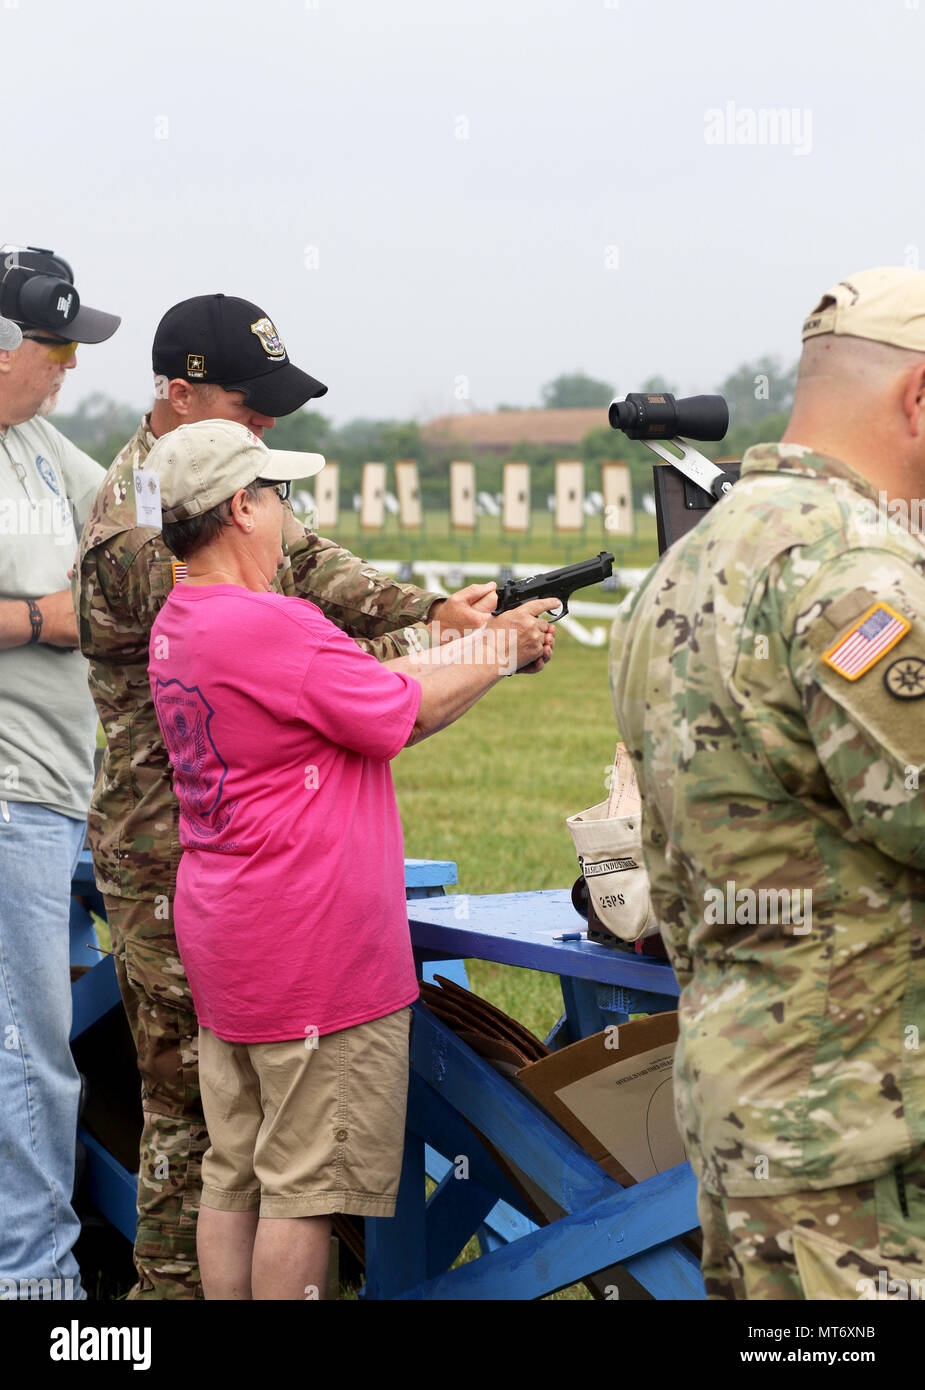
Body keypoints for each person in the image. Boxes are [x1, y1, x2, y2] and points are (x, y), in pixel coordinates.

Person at [75, 292, 509, 1298]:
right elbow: (288, 639)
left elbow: (311, 565)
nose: (267, 427)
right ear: (179, 397)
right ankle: (164, 1294)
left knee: (240, 1141)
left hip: (226, 850)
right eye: (246, 406)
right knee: (197, 1116)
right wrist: (453, 651)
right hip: (170, 849)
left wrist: (424, 609)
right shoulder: (145, 523)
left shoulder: (211, 483)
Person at [143, 417, 554, 1299]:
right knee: (305, 1192)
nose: (291, 516)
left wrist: (467, 649)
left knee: (236, 1171)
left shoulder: (184, 618)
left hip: (233, 940)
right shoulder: (271, 624)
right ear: (241, 509)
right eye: (278, 496)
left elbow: (366, 692)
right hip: (312, 952)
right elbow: (400, 715)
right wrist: (499, 649)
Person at [609, 266, 925, 1301]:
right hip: (863, 1138)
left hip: (754, 1105)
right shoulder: (855, 572)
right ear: (917, 399)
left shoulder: (687, 566)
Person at [0, 244, 120, 1300]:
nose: (70, 366)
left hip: (49, 794)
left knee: (39, 1045)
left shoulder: (36, 440)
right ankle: (37, 1291)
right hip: (6, 804)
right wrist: (49, 620)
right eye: (55, 345)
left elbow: (131, 520)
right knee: (23, 1053)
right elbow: (87, 601)